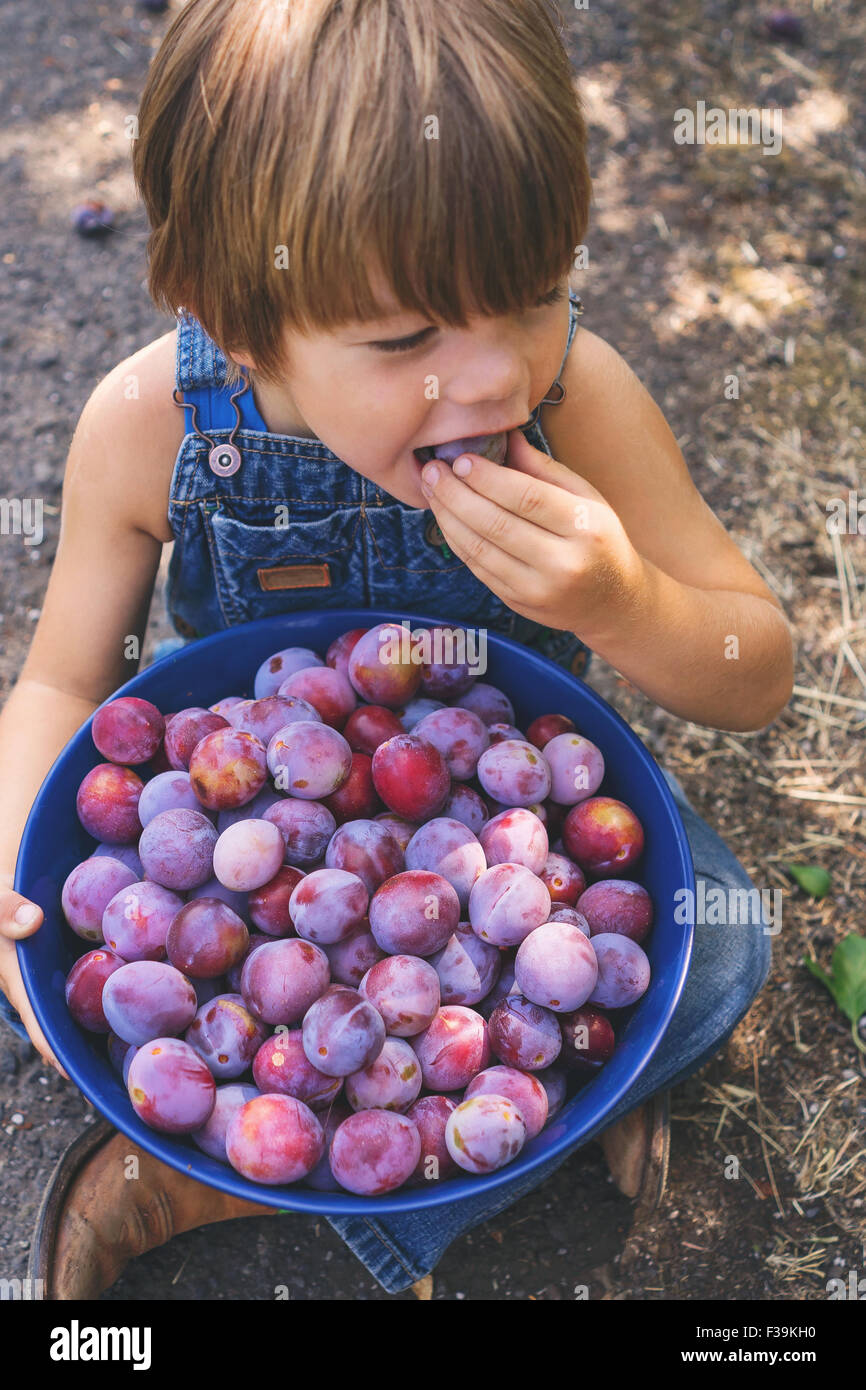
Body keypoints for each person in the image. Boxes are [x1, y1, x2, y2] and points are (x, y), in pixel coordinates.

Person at [0, 0, 793, 1299]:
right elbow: (60, 682)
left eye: (533, 294)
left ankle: (228, 1177)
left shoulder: (577, 401)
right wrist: (7, 857)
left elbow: (749, 669)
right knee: (52, 951)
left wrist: (621, 598)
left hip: (510, 819)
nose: (489, 379)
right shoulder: (151, 424)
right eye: (405, 340)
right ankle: (551, 1118)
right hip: (231, 821)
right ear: (239, 321)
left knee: (715, 954)